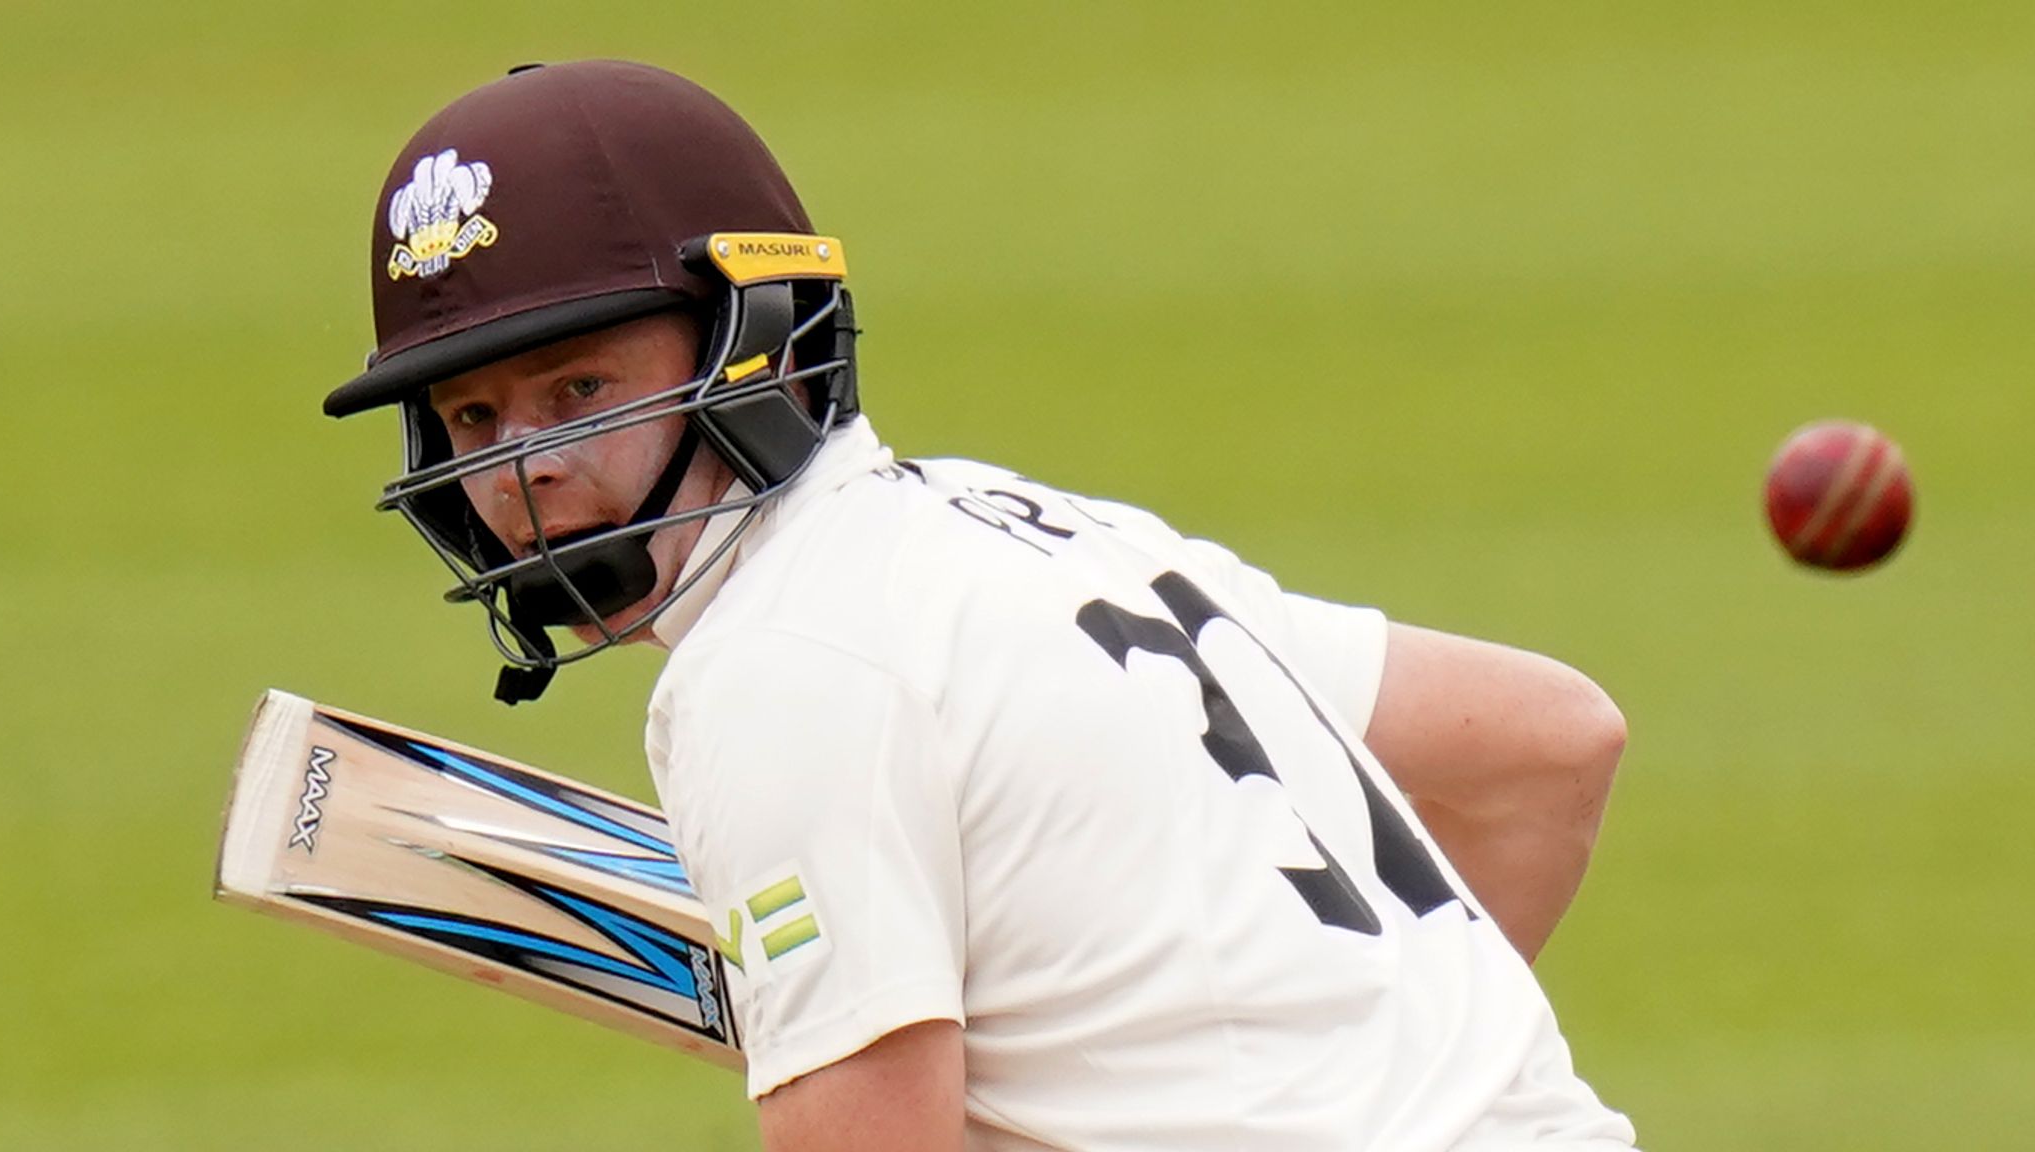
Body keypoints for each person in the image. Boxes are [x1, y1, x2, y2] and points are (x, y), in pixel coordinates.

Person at [325, 59, 1639, 1152]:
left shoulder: (775, 674)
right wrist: (1368, 1068)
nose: (523, 470)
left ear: (756, 336)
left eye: (578, 393)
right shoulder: (1036, 534)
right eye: (472, 417)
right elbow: (1547, 743)